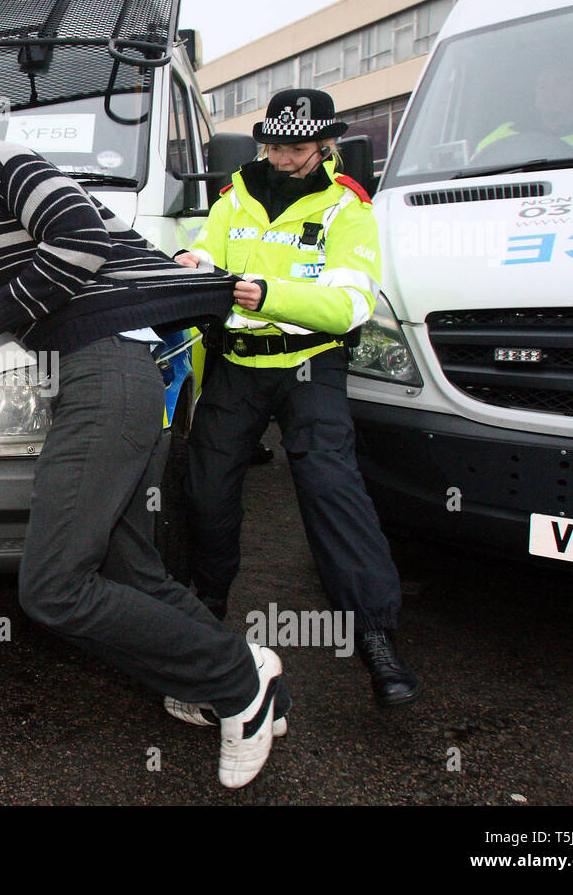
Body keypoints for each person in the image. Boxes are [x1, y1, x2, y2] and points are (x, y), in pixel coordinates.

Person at [0, 102, 290, 787]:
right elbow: (8, 272)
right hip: (99, 381)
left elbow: (79, 240)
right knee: (130, 570)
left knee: (54, 587)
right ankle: (255, 692)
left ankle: (238, 681)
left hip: (105, 372)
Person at [176, 88, 420, 707]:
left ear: (325, 144)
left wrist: (270, 295)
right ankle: (206, 607)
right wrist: (195, 260)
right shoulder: (235, 197)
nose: (283, 158)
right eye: (275, 145)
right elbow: (212, 249)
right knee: (206, 483)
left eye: (297, 147)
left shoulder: (348, 210)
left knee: (331, 487)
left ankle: (374, 635)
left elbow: (350, 305)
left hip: (311, 363)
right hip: (237, 362)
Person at [476, 63, 573, 155]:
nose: (549, 91)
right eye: (542, 86)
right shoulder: (506, 133)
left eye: (560, 83)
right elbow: (477, 164)